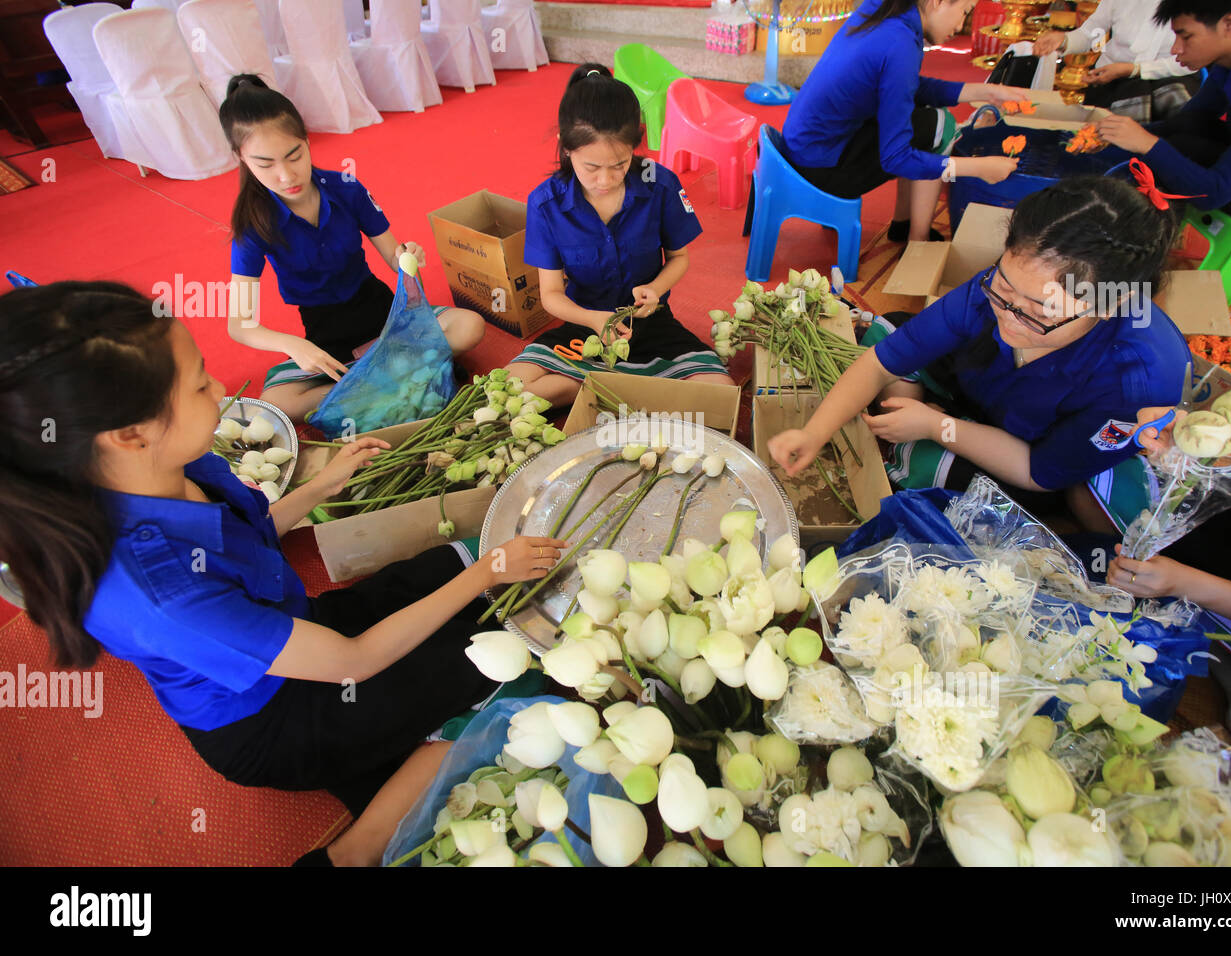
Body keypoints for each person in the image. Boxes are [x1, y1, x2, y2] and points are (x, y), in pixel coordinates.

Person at [0, 281, 564, 866]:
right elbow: (351, 661)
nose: (221, 390)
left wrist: (323, 485)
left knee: (441, 570)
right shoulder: (158, 593)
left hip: (292, 623)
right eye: (200, 384)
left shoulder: (169, 464)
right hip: (277, 718)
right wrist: (488, 573)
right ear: (131, 434)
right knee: (491, 659)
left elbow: (246, 537)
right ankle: (353, 853)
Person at [767, 174, 1191, 507]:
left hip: (1021, 453)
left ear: (1110, 304)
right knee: (888, 330)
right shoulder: (1005, 287)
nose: (1009, 316)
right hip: (977, 396)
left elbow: (1037, 472)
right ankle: (920, 422)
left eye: (1040, 312)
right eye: (1003, 289)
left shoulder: (1137, 382)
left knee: (946, 486)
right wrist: (814, 433)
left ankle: (922, 430)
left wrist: (938, 426)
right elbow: (882, 361)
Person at [220, 75, 486, 423]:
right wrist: (292, 345)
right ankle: (409, 373)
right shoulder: (252, 224)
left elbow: (393, 255)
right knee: (277, 403)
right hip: (325, 335)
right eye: (265, 164)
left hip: (382, 312)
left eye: (294, 155)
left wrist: (407, 259)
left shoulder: (345, 187)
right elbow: (239, 324)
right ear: (241, 158)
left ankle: (371, 387)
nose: (286, 175)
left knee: (470, 325)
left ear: (307, 140)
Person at [1101, 339, 1231, 741]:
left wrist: (1186, 583)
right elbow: (1223, 420)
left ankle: (1210, 638)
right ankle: (1215, 644)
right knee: (1100, 461)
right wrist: (1180, 440)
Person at [503, 64, 734, 406]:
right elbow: (550, 294)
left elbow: (679, 258)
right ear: (565, 148)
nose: (606, 180)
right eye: (592, 168)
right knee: (507, 388)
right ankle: (616, 392)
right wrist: (593, 319)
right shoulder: (545, 203)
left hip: (650, 323)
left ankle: (595, 390)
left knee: (721, 391)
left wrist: (655, 290)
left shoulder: (660, 184)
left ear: (634, 147)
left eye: (620, 165)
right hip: (585, 327)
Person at [779, 0, 1026, 244]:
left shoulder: (882, 10)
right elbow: (896, 158)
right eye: (964, 12)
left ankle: (903, 225)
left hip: (801, 152)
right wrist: (979, 168)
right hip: (823, 171)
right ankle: (918, 241)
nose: (960, 25)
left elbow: (906, 87)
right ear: (938, 2)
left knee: (925, 118)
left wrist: (985, 92)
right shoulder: (900, 43)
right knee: (941, 126)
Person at [1095, 0, 1231, 228]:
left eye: (1186, 36)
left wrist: (1147, 144)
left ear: (1230, 25)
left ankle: (1117, 233)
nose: (1175, 49)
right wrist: (1113, 135)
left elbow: (1213, 193)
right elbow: (1186, 120)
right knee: (1188, 127)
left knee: (1175, 152)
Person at [1032, 0, 1201, 121]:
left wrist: (1134, 69)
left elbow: (1192, 60)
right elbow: (1091, 33)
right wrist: (1064, 40)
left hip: (1169, 83)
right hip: (1110, 80)